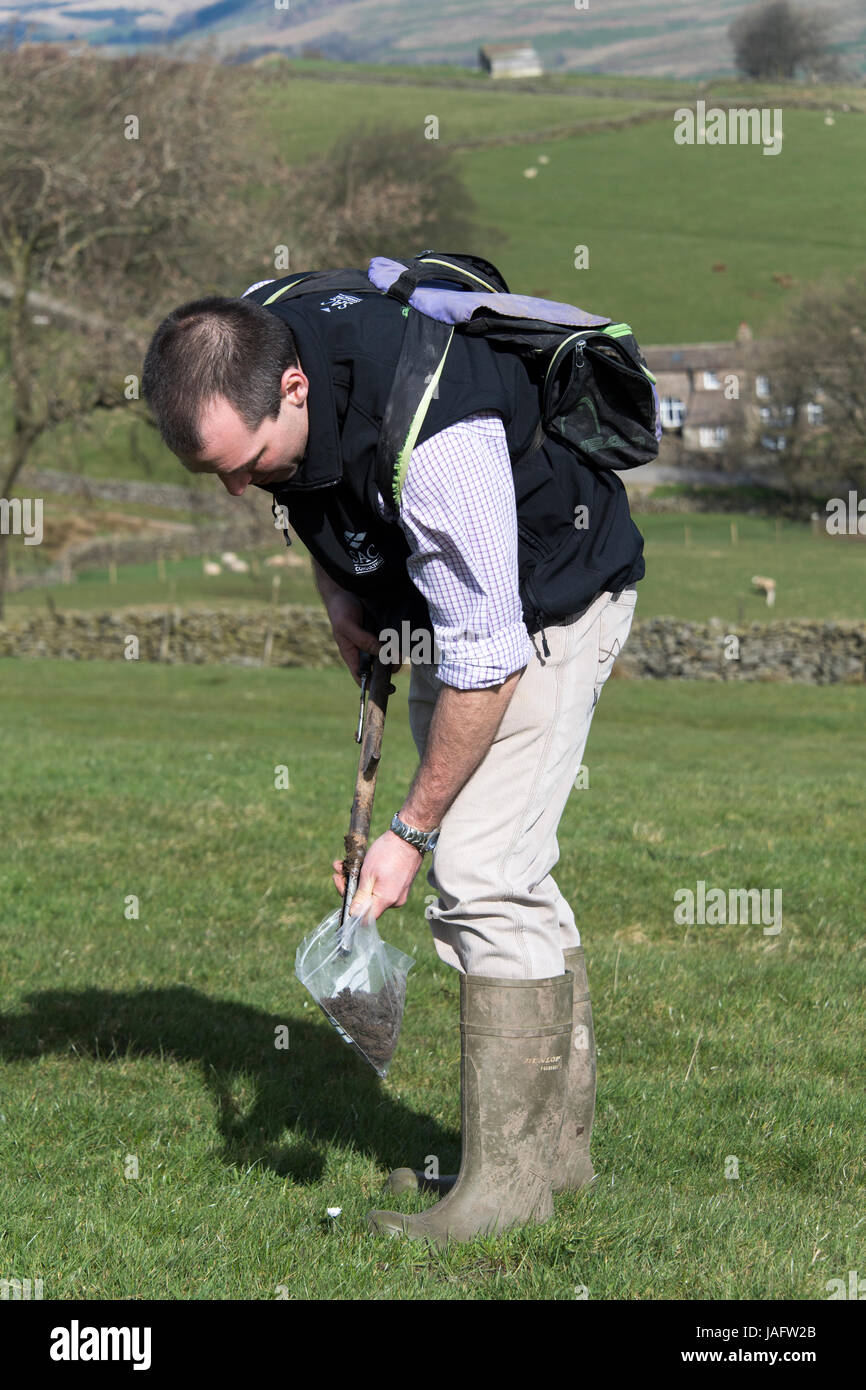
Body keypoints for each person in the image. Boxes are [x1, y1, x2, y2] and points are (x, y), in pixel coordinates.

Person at [141, 266, 642, 1246]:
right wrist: (338, 583)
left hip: (547, 599)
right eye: (217, 476)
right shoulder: (253, 327)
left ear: (293, 388)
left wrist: (408, 833)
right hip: (440, 603)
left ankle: (505, 1194)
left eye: (248, 462)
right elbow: (312, 486)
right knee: (506, 871)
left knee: (480, 870)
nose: (241, 487)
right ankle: (558, 1157)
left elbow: (487, 661)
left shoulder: (434, 428)